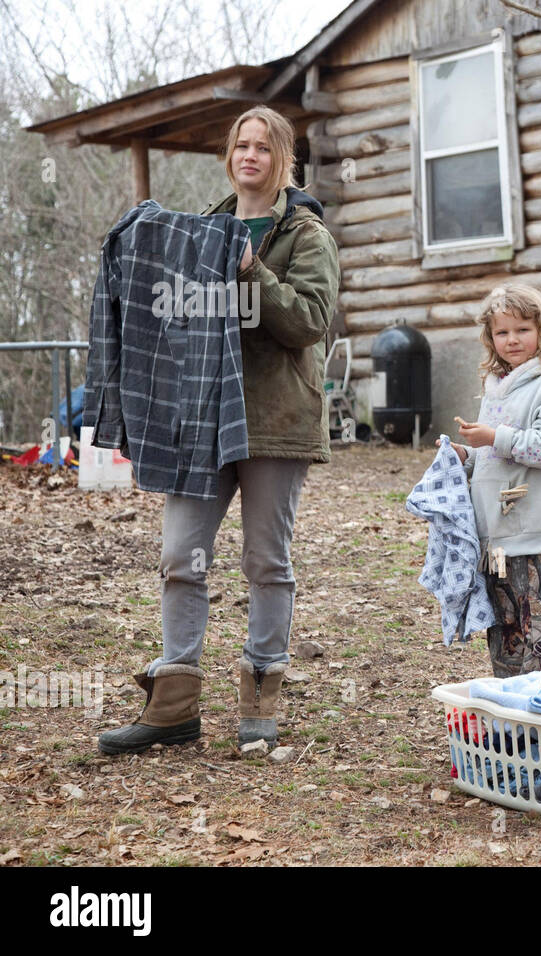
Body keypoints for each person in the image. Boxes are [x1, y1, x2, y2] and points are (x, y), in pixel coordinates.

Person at [98, 106, 340, 755]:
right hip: (203, 418)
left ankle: (260, 699)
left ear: (281, 157)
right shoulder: (203, 229)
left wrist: (250, 271)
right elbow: (173, 318)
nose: (251, 155)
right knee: (181, 555)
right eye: (242, 145)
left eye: (264, 146)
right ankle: (174, 705)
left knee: (266, 560)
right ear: (230, 155)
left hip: (274, 419)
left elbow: (308, 322)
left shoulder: (306, 234)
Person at [440, 284, 541, 681]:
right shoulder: (497, 388)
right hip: (496, 540)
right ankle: (514, 728)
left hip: (534, 535)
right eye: (502, 332)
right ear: (490, 338)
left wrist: (493, 437)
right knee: (506, 636)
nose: (512, 339)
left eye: (522, 329)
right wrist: (467, 457)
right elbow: (496, 453)